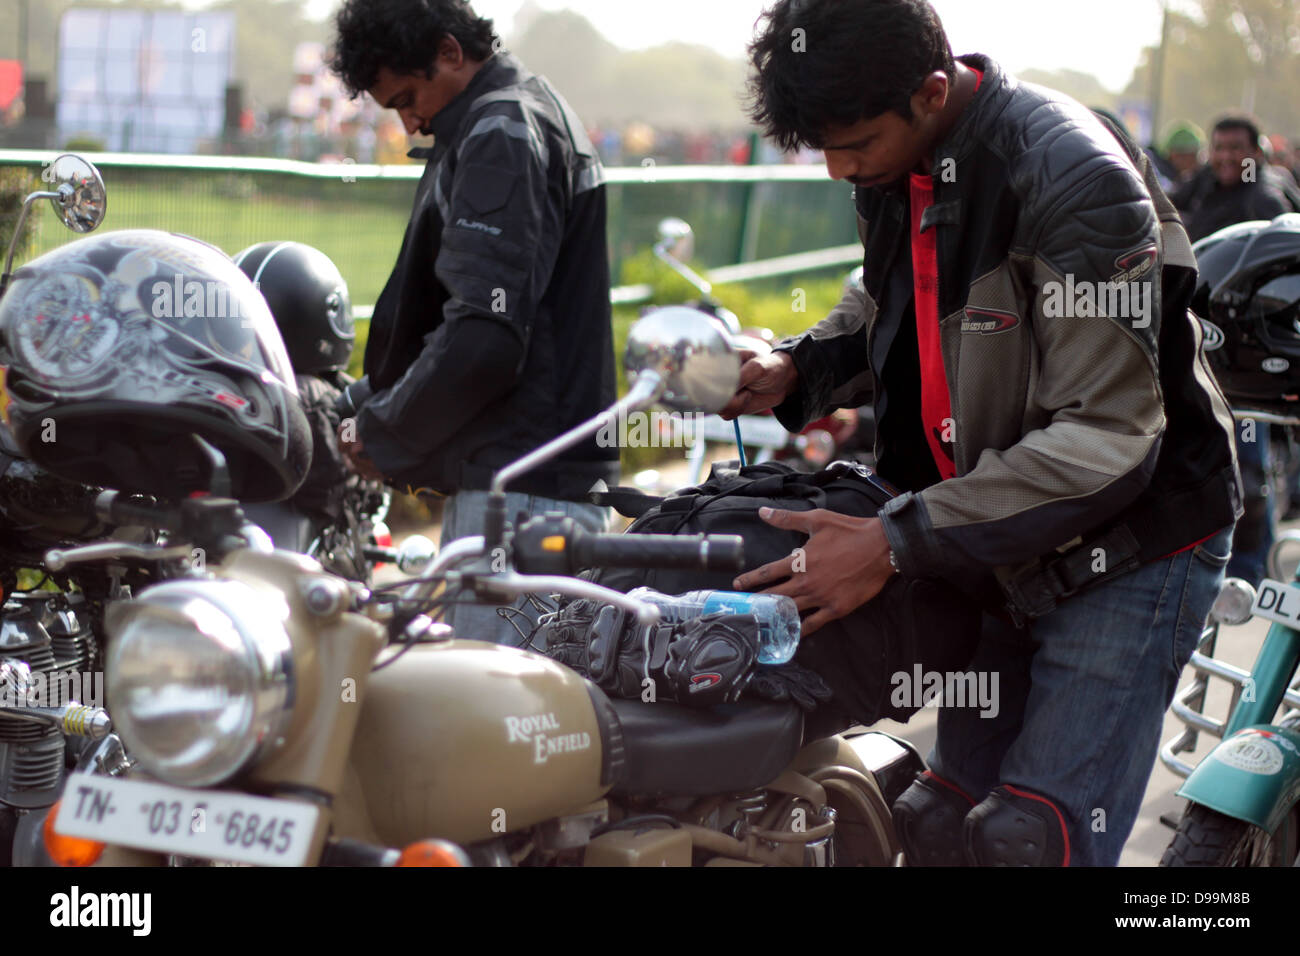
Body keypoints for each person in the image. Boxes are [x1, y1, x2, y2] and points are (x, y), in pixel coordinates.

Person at [732, 0, 1240, 866]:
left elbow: (1110, 436)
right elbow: (894, 297)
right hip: (1000, 527)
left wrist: (893, 543)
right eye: (823, 148)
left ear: (932, 91)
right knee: (937, 823)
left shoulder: (1072, 177)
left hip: (1134, 540)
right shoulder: (898, 167)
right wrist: (797, 369)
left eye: (851, 146)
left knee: (1030, 840)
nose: (836, 170)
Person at [328, 0, 618, 643]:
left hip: (520, 492)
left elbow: (485, 335)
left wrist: (384, 427)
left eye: (409, 97)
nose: (411, 120)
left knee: (485, 727)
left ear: (450, 52)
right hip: (539, 485)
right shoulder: (526, 109)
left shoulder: (501, 130)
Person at [1173, 115, 1297, 242]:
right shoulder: (1209, 175)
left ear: (1257, 152)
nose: (1225, 157)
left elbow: (1285, 244)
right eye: (1219, 148)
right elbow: (1170, 203)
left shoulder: (1262, 195)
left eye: (1235, 148)